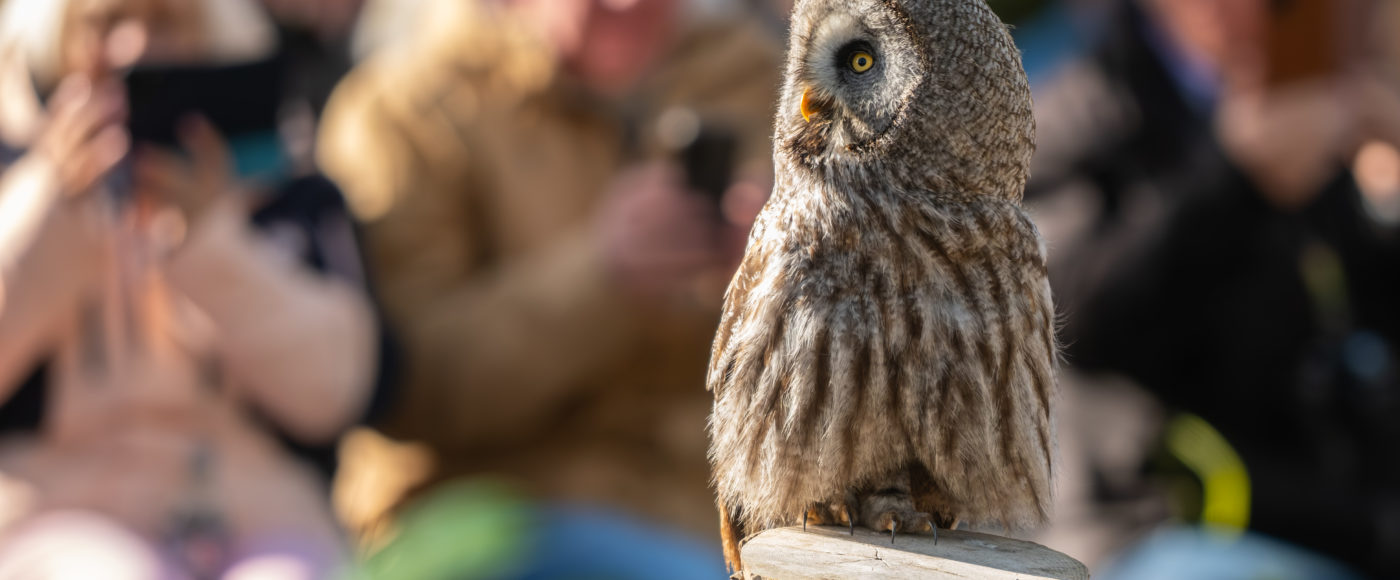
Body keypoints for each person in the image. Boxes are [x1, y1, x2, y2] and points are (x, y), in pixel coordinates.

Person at [318, 0, 780, 542]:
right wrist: (604, 276)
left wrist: (777, 266)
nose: (626, 5)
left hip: (722, 516)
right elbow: (402, 391)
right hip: (493, 520)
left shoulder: (757, 76)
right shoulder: (402, 112)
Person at [0, 0, 392, 575]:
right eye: (104, 24)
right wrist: (51, 205)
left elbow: (336, 392)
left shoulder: (288, 189)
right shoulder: (13, 175)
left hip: (259, 519)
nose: (132, 48)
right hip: (55, 518)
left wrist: (211, 243)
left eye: (163, 23)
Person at [1027, 0, 1400, 573]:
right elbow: (1067, 322)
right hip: (1140, 519)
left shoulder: (1291, 104)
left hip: (1314, 515)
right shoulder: (1073, 108)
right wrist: (1240, 177)